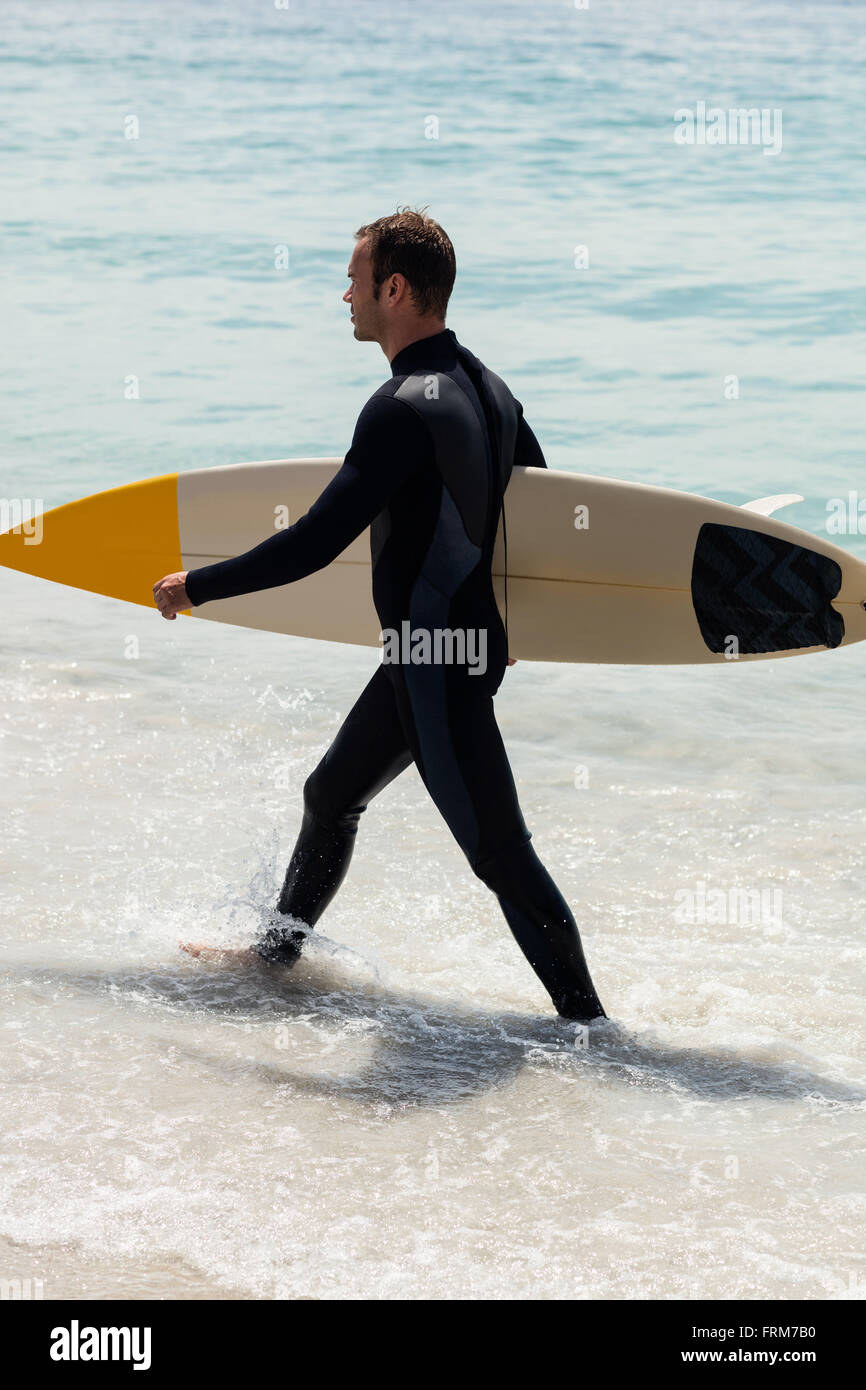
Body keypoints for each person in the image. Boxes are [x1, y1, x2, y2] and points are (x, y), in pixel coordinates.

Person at [154, 209, 605, 1022]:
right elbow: (530, 511)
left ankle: (595, 1031)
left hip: (435, 662)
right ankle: (274, 959)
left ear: (395, 289)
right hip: (438, 650)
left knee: (500, 854)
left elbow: (318, 542)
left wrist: (198, 587)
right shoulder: (491, 390)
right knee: (330, 793)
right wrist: (504, 631)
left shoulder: (400, 406)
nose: (345, 296)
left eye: (356, 281)